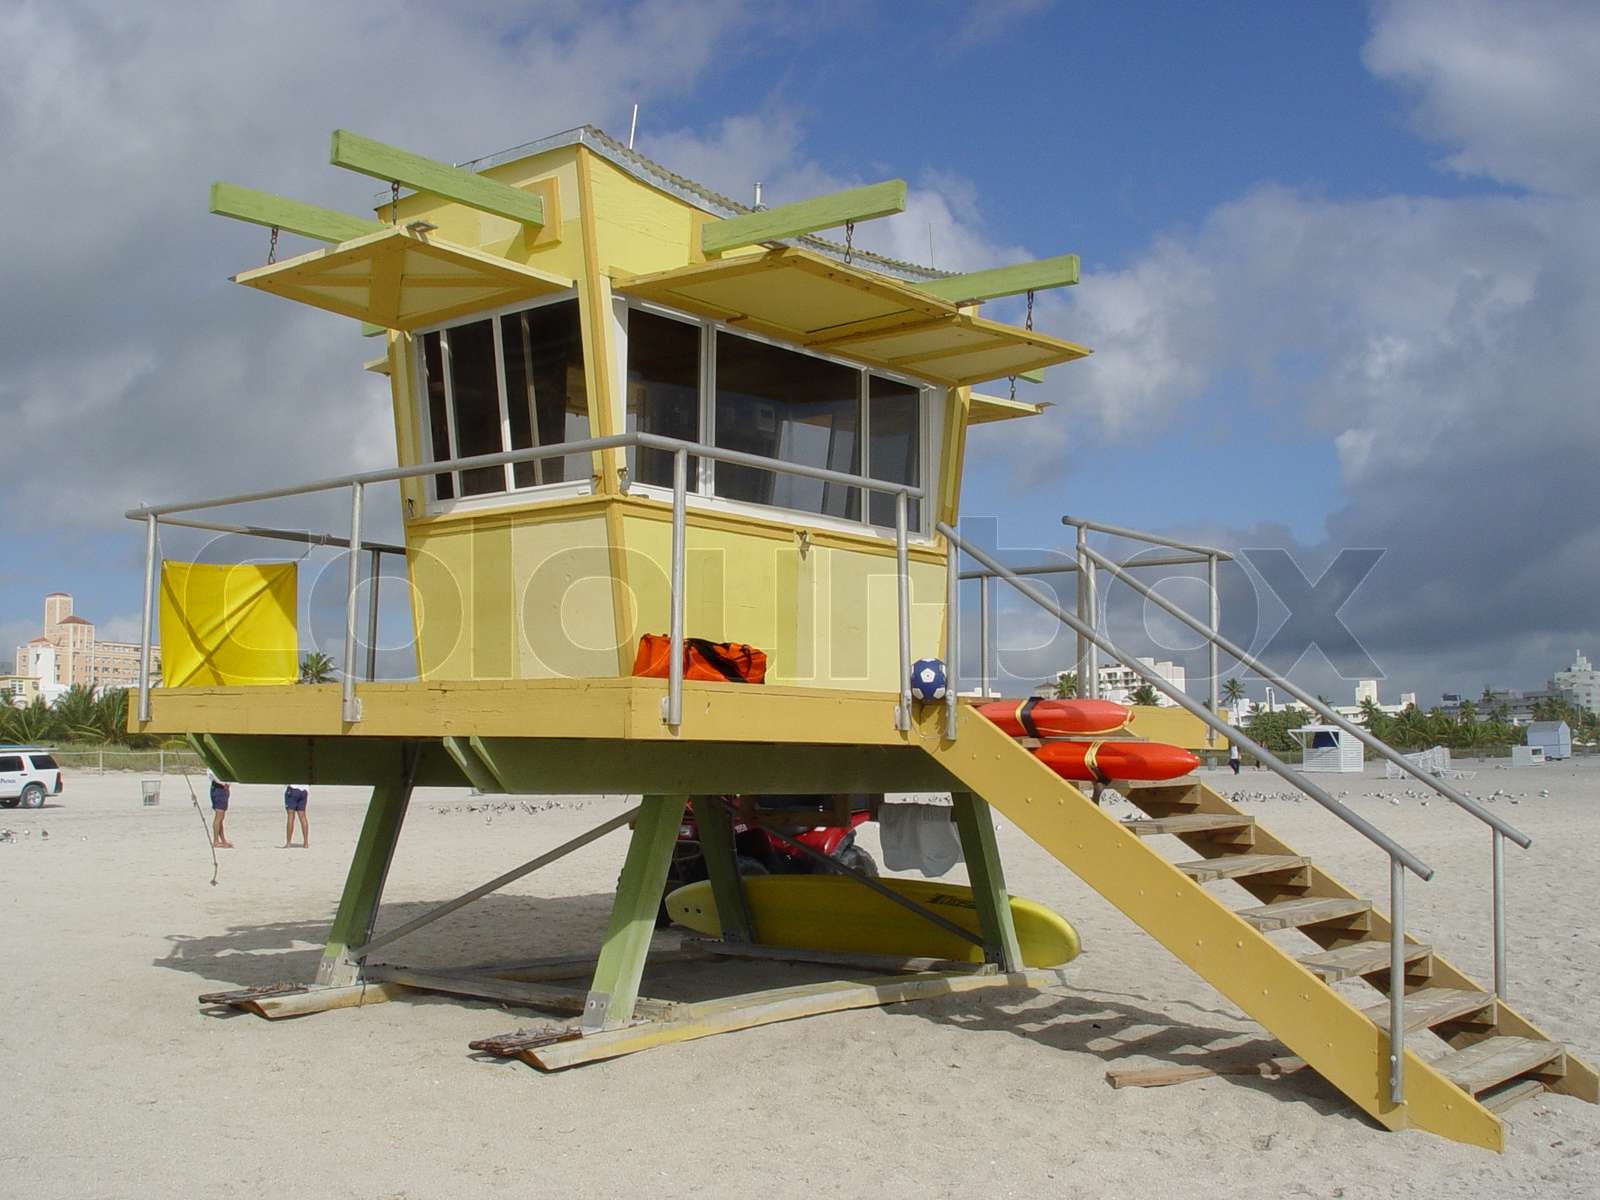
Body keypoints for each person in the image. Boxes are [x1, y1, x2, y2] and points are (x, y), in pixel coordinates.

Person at [208, 771, 232, 848]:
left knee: (221, 818)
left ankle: (222, 839)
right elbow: (212, 775)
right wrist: (224, 784)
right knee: (218, 818)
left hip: (218, 788)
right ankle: (216, 841)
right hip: (220, 789)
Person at [283, 784, 309, 849]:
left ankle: (288, 843)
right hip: (304, 790)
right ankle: (305, 843)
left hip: (293, 789)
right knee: (303, 816)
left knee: (291, 816)